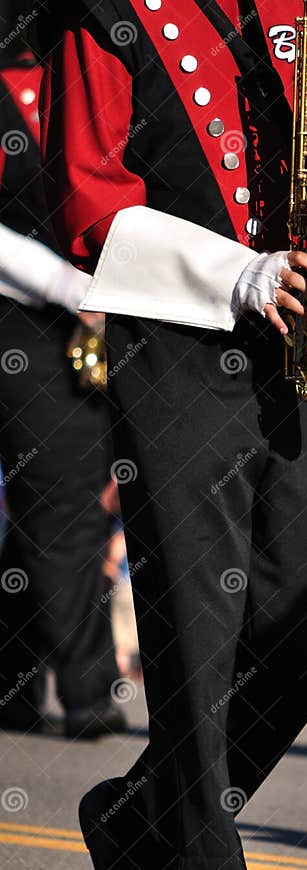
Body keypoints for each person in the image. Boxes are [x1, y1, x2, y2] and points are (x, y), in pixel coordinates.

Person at [36, 0, 307, 870]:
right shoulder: (101, 15)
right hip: (179, 345)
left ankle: (134, 821)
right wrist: (242, 274)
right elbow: (90, 202)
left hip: (300, 334)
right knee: (197, 641)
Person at [0, 49, 126, 739]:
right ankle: (86, 691)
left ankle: (19, 683)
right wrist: (73, 289)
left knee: (55, 509)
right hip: (23, 315)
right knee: (62, 508)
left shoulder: (92, 78)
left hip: (77, 328)